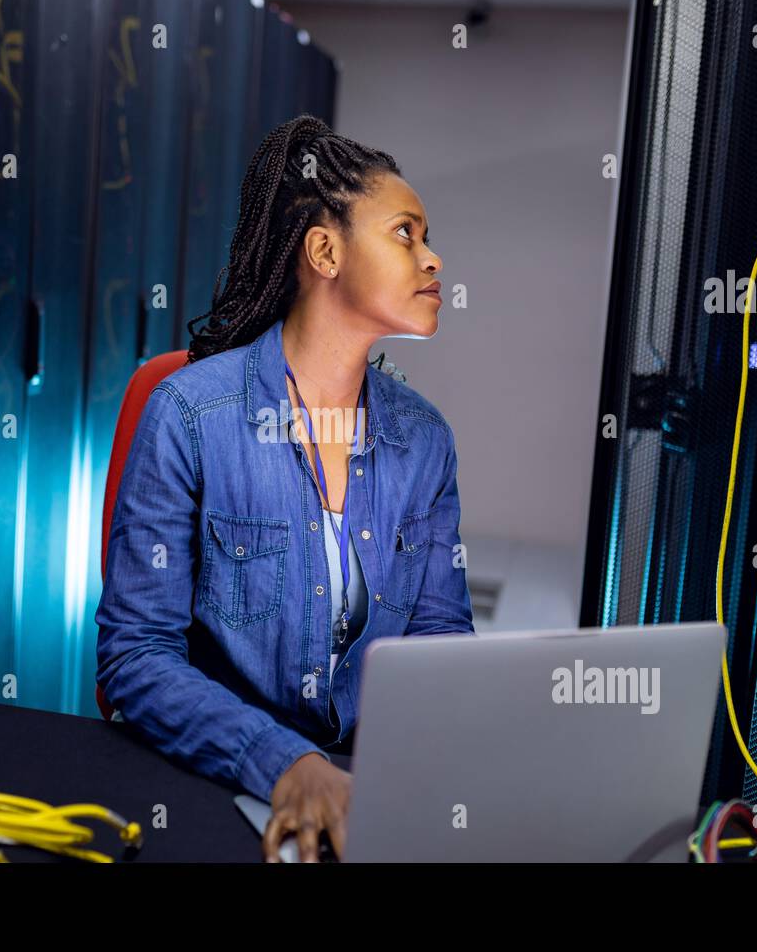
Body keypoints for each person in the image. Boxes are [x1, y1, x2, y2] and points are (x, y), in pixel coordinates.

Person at [95, 115, 475, 862]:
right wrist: (287, 764)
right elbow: (135, 655)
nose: (433, 259)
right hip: (212, 780)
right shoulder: (191, 413)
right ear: (325, 251)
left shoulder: (424, 439)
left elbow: (440, 639)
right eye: (406, 233)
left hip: (364, 792)